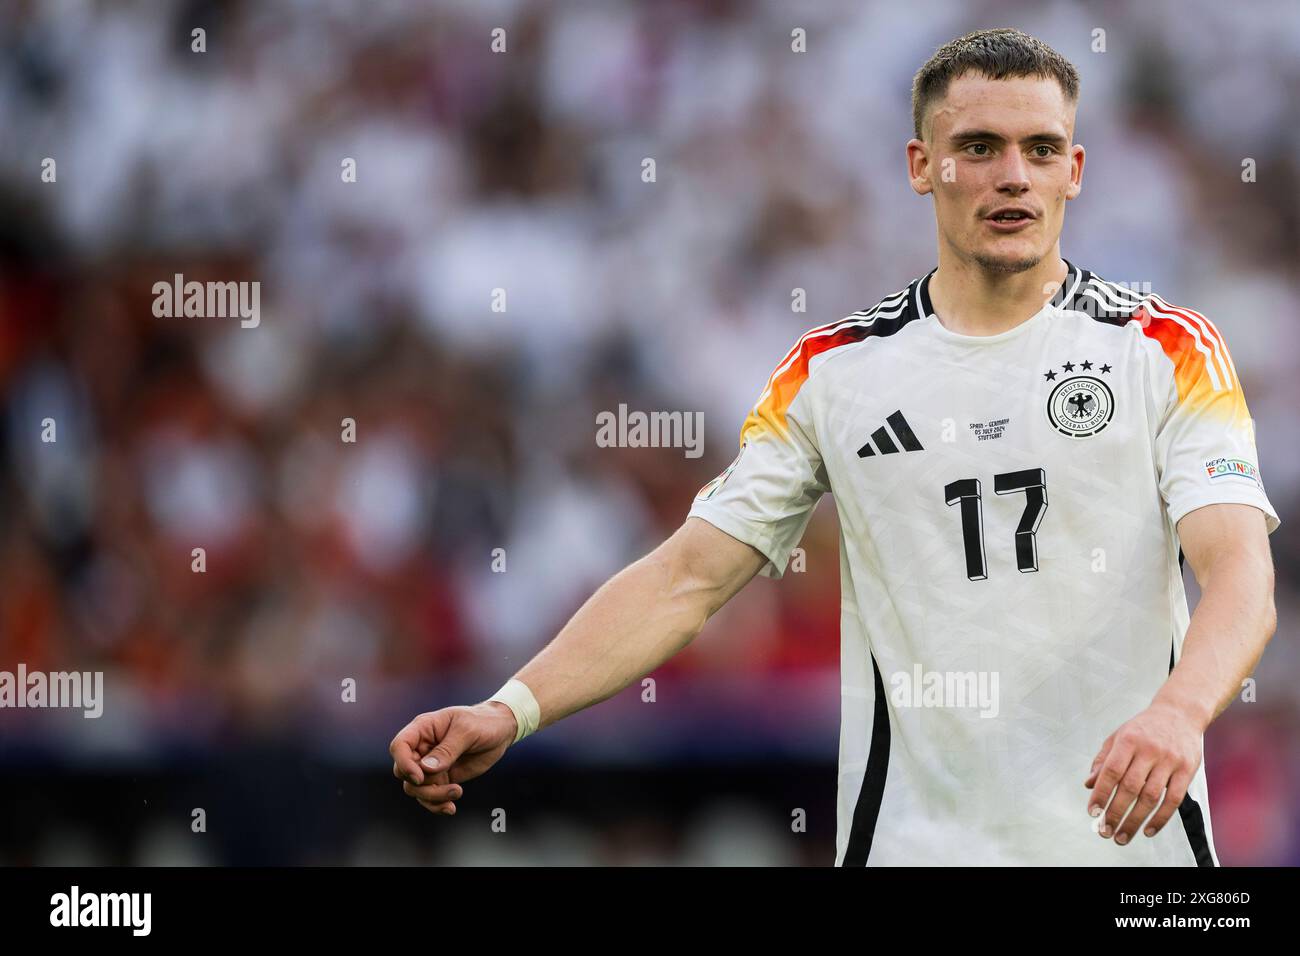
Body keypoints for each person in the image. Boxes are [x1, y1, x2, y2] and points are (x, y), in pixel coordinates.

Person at [389, 28, 1280, 865]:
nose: (1013, 175)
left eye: (1041, 150)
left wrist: (1179, 712)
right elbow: (686, 577)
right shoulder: (833, 372)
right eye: (978, 147)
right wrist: (511, 709)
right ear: (921, 166)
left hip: (1137, 857)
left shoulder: (1165, 348)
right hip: (916, 851)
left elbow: (1241, 576)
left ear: (1074, 170)